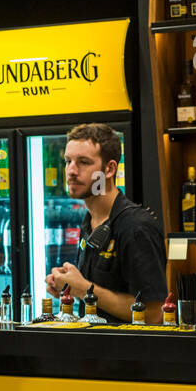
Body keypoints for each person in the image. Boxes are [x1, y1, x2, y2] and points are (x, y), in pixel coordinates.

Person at [44, 122, 166, 324]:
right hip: (92, 350)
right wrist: (68, 285)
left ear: (109, 169)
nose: (71, 171)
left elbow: (154, 314)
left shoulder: (136, 227)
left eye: (83, 162)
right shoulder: (89, 221)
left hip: (126, 353)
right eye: (68, 161)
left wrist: (83, 288)